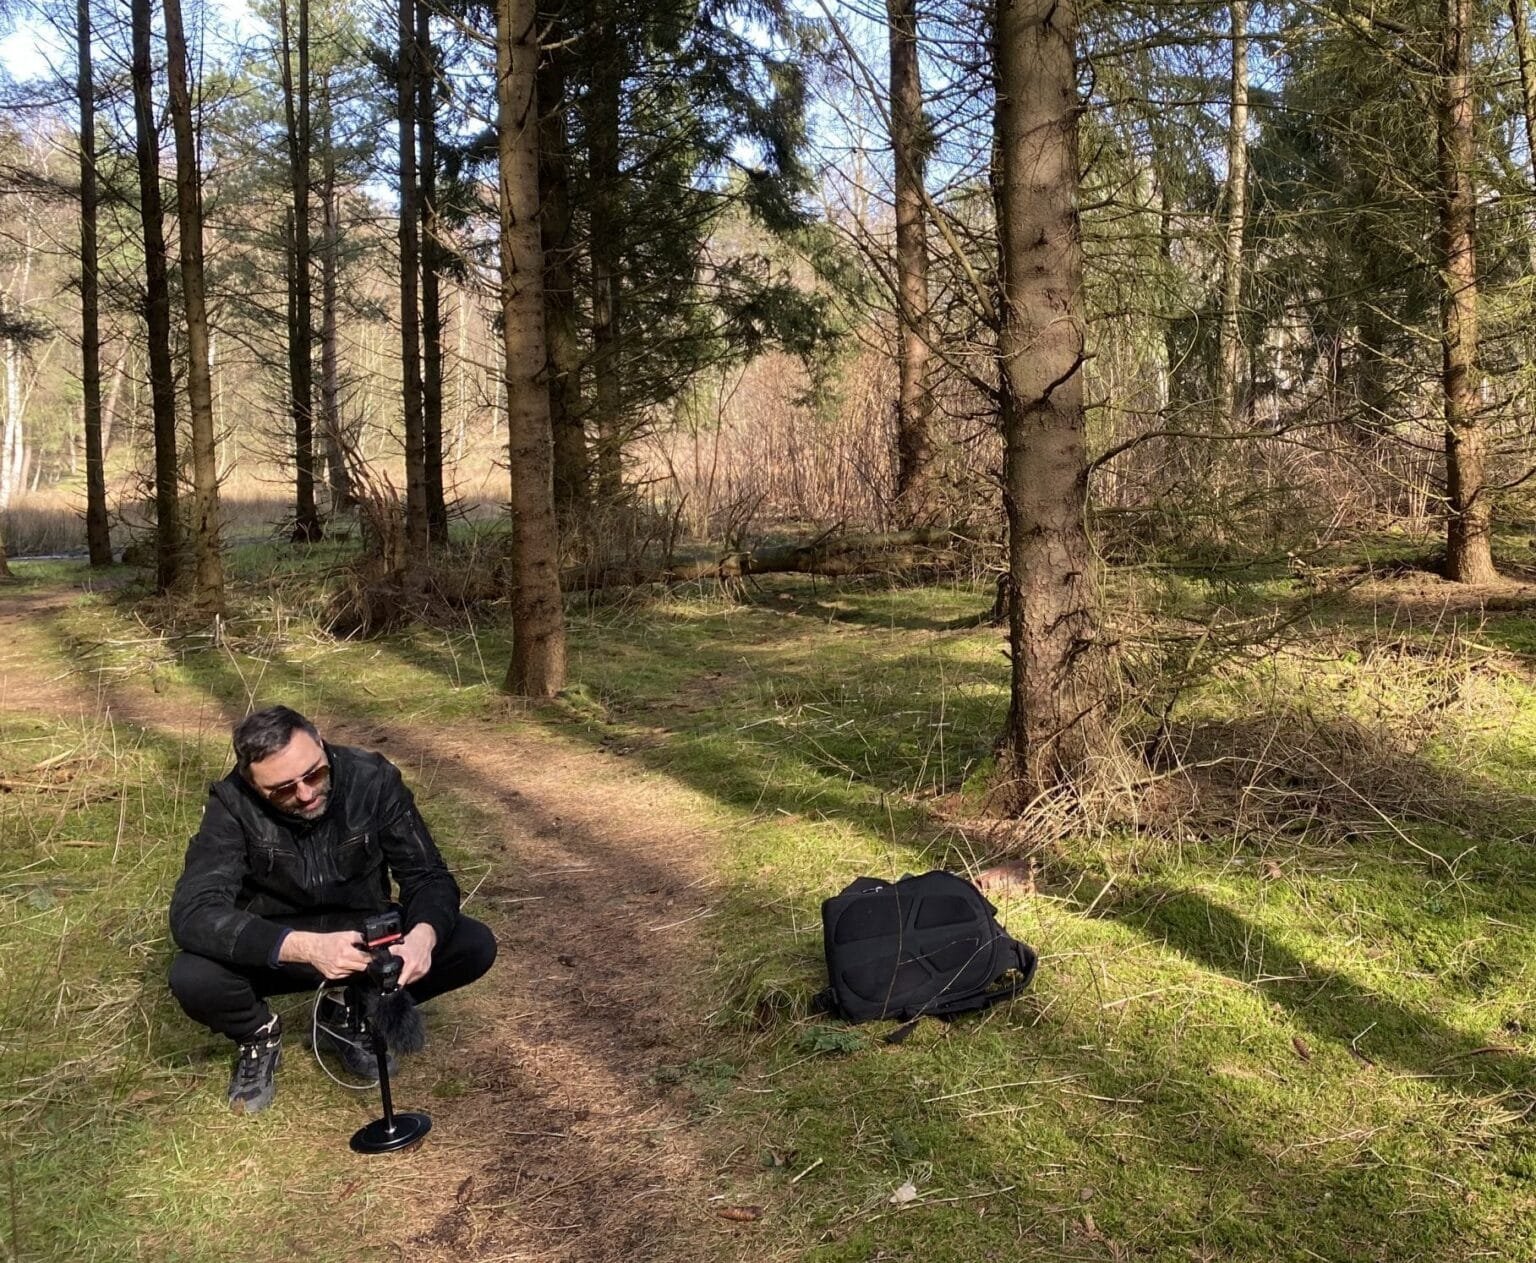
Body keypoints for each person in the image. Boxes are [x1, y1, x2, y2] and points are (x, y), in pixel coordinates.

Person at [168, 705, 497, 1114]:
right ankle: (258, 1035)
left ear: (321, 741)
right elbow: (193, 912)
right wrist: (304, 948)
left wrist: (420, 940)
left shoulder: (371, 778)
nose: (305, 794)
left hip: (362, 933)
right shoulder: (231, 804)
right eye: (282, 789)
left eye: (314, 774)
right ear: (254, 785)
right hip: (276, 942)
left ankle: (350, 1013)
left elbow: (427, 875)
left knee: (472, 944)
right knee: (193, 976)